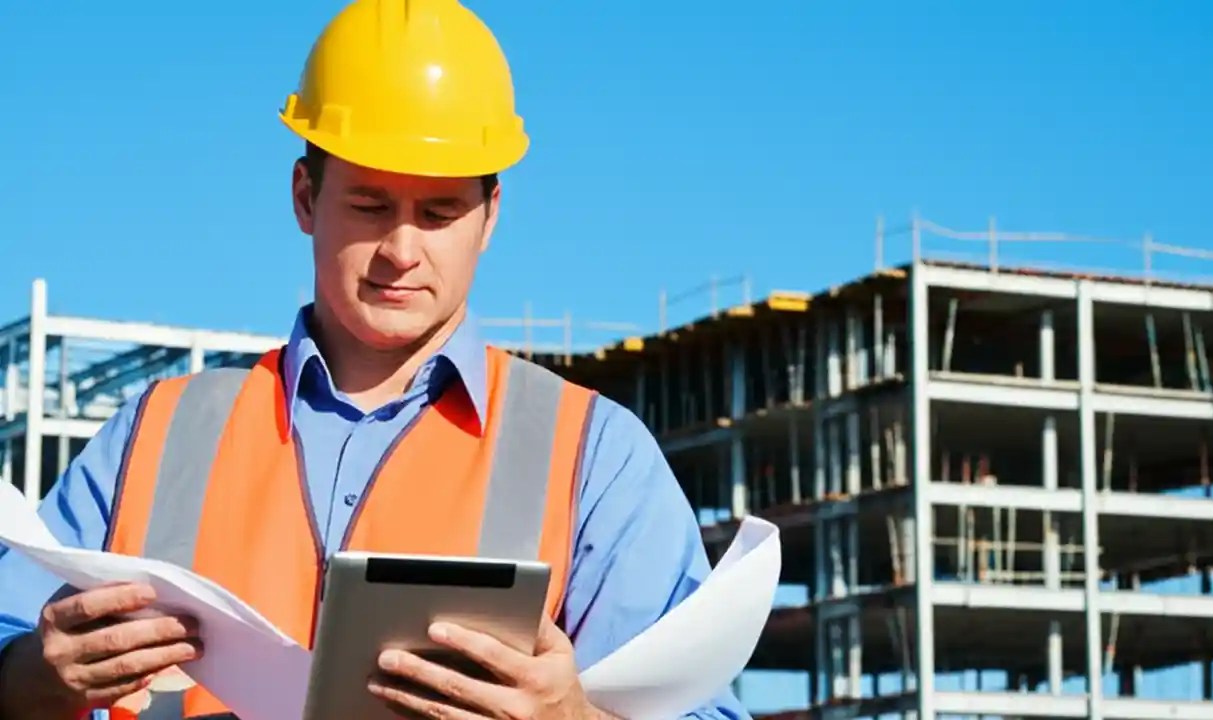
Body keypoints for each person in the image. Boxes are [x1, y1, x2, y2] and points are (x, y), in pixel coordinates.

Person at [0, 1, 751, 718]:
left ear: (490, 217)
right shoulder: (158, 434)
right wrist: (32, 676)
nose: (401, 250)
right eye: (369, 205)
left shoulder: (593, 455)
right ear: (304, 196)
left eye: (438, 213)